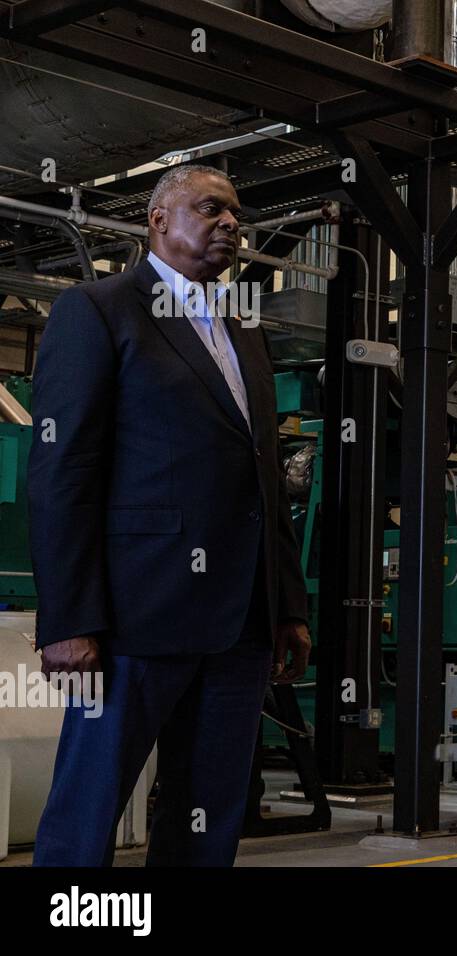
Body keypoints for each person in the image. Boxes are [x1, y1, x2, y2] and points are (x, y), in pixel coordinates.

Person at [30, 164, 311, 866]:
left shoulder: (244, 331)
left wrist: (286, 605)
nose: (231, 225)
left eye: (237, 215)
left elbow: (263, 480)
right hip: (134, 618)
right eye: (211, 209)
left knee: (206, 817)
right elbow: (62, 473)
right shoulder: (99, 309)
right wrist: (68, 619)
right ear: (158, 220)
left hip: (241, 623)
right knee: (88, 811)